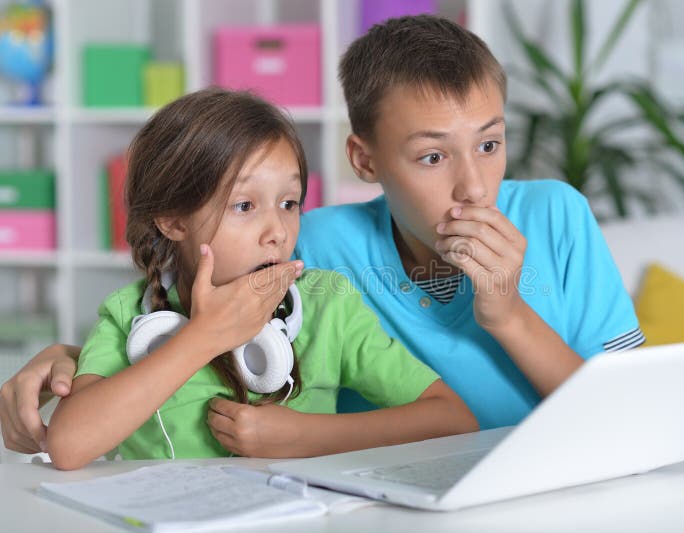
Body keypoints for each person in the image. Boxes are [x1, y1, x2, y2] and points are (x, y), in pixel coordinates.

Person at [1, 15, 641, 455]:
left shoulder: (559, 216)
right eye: (432, 157)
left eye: (491, 143)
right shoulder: (315, 248)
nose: (474, 187)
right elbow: (189, 303)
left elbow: (635, 418)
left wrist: (508, 316)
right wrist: (67, 361)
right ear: (365, 161)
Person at [41, 87, 476, 470]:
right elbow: (68, 445)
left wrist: (308, 437)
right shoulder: (127, 313)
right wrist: (204, 336)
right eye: (244, 206)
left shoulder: (330, 307)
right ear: (173, 221)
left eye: (289, 203)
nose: (278, 232)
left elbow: (453, 418)